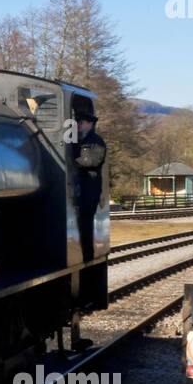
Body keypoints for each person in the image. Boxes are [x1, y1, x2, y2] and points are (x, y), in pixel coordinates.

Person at [70, 100, 106, 311]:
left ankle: (87, 259)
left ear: (90, 124)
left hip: (89, 193)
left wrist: (71, 157)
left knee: (86, 229)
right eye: (78, 122)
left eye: (82, 122)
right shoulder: (79, 141)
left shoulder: (96, 142)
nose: (79, 125)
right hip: (79, 192)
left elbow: (90, 162)